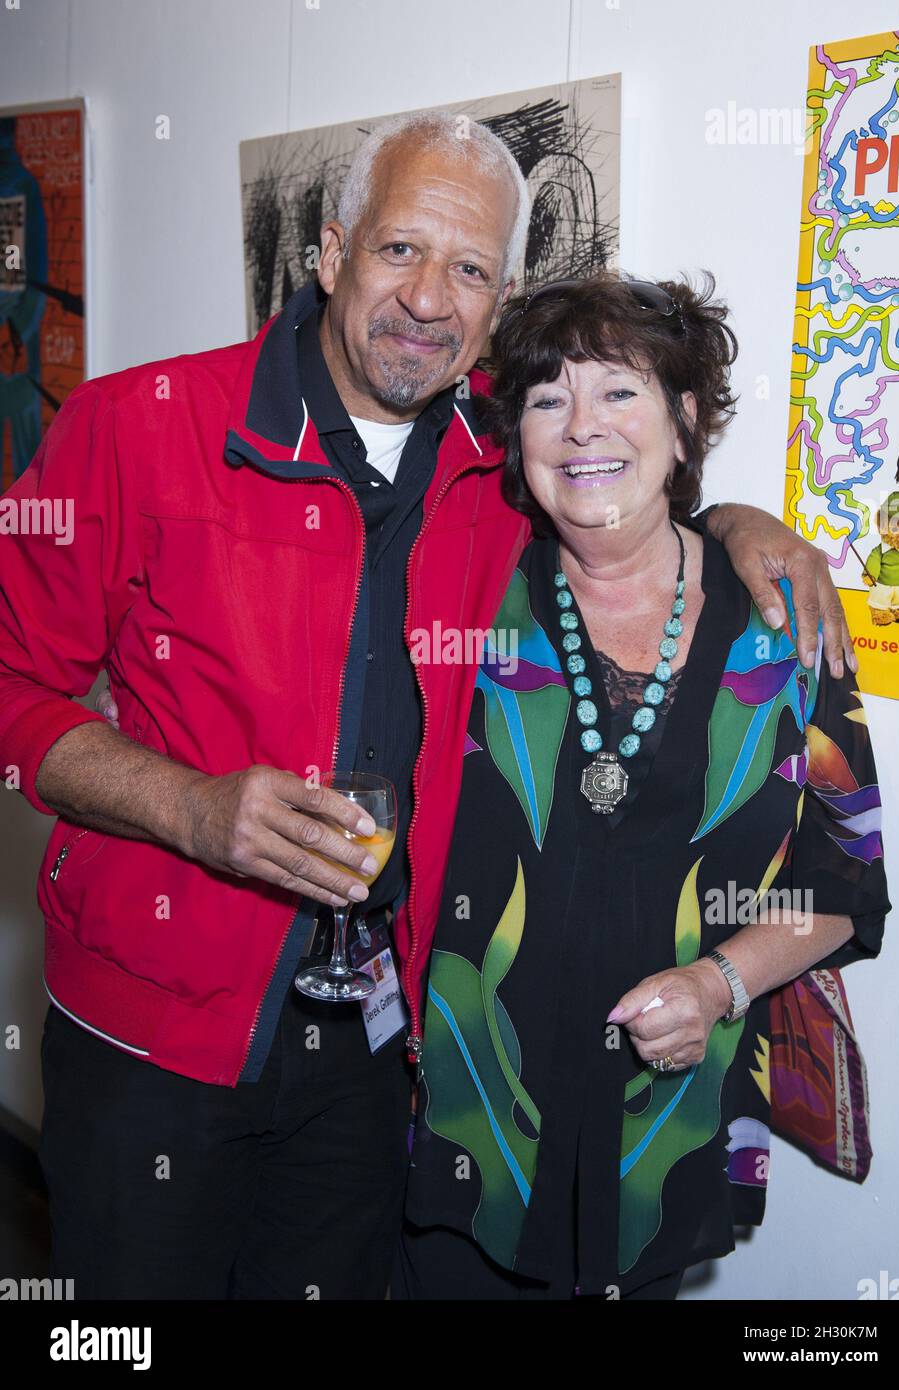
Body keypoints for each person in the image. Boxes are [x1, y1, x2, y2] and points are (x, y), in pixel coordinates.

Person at [0, 111, 855, 1300]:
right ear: (331, 248)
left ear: (498, 298)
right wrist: (188, 808)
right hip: (157, 1038)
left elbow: (618, 472)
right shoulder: (139, 431)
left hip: (383, 1060)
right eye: (400, 250)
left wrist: (740, 527)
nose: (427, 298)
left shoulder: (497, 461)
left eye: (468, 270)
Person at [392, 272, 891, 1301]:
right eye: (545, 398)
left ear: (685, 417)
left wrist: (719, 984)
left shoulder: (782, 627)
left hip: (665, 1133)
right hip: (465, 1122)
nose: (580, 429)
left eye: (618, 390)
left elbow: (841, 881)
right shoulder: (468, 592)